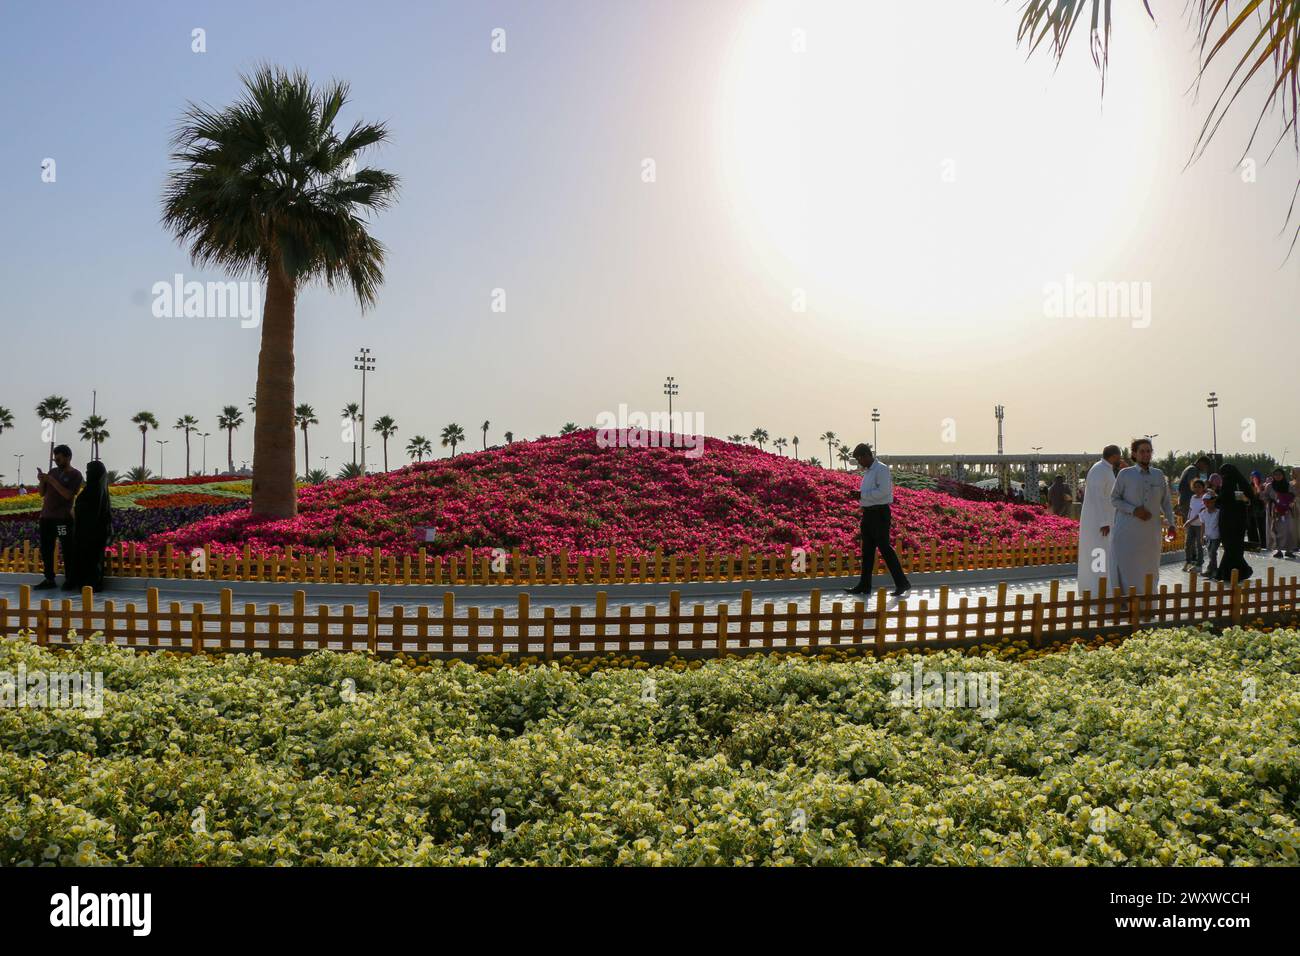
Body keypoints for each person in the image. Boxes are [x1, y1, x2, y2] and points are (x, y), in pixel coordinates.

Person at [1109, 438, 1175, 593]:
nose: (1146, 454)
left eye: (1149, 451)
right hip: (1127, 532)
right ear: (1134, 454)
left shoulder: (1158, 475)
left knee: (1150, 570)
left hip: (1151, 534)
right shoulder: (1125, 474)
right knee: (1128, 569)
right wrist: (1134, 510)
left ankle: (1149, 602)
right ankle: (1128, 602)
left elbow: (1166, 502)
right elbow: (1114, 499)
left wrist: (1172, 524)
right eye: (1142, 451)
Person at [845, 443, 911, 598]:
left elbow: (884, 492)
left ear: (866, 455)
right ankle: (864, 585)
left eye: (859, 459)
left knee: (885, 548)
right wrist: (860, 495)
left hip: (880, 514)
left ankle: (902, 583)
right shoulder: (868, 472)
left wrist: (861, 495)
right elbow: (870, 493)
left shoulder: (881, 469)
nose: (859, 462)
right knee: (867, 551)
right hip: (868, 514)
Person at [33, 444, 83, 590]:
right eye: (55, 459)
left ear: (68, 457)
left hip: (62, 520)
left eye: (59, 459)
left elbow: (68, 495)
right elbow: (41, 493)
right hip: (46, 518)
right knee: (46, 549)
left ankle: (70, 580)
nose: (56, 462)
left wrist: (52, 481)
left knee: (67, 548)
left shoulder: (76, 475)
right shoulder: (52, 472)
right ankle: (49, 579)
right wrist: (42, 480)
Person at [1077, 445, 1122, 595]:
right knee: (1098, 552)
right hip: (1098, 523)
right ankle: (1097, 587)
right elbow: (1098, 498)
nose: (1120, 460)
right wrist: (1104, 522)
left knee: (1102, 553)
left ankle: (1101, 585)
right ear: (1113, 456)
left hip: (1104, 521)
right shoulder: (1099, 470)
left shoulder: (1105, 469)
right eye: (1119, 457)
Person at [65, 460, 112, 592]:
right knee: (88, 557)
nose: (87, 474)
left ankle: (91, 584)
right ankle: (86, 583)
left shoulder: (95, 490)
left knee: (92, 558)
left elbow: (90, 510)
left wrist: (76, 510)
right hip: (89, 531)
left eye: (89, 472)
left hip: (91, 532)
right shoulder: (97, 488)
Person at [1215, 463, 1256, 582]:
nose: (1224, 477)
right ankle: (1239, 571)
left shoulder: (1241, 485)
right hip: (1226, 520)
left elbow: (1250, 500)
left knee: (1235, 546)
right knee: (1229, 546)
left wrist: (1243, 498)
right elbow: (1220, 501)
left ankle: (1228, 573)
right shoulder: (1225, 486)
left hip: (1237, 520)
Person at [1262, 468, 1299, 558]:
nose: (1278, 476)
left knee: (1288, 530)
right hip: (1274, 511)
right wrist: (1272, 502)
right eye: (1276, 474)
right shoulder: (1270, 486)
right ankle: (1278, 550)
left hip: (1286, 511)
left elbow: (1294, 495)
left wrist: (1289, 502)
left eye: (1280, 474)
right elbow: (1265, 497)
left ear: (1283, 475)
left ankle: (1289, 550)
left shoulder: (1288, 485)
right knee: (1275, 530)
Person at [1183, 478, 1207, 571]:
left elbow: (1200, 512)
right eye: (1195, 487)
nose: (1197, 489)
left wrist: (1190, 521)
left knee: (1199, 545)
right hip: (1191, 525)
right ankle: (1188, 562)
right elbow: (1191, 509)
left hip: (1200, 525)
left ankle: (1199, 564)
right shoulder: (1193, 497)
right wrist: (1188, 520)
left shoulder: (1204, 498)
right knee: (1188, 544)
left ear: (1203, 488)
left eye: (1199, 487)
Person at [1176, 456, 1211, 521]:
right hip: (1188, 500)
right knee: (1190, 522)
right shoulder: (1193, 469)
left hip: (1185, 500)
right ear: (1201, 463)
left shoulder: (1190, 468)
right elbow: (1193, 484)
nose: (1205, 469)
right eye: (1205, 467)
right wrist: (1205, 486)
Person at [1200, 490, 1221, 578]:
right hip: (1208, 537)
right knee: (1210, 554)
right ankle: (1211, 570)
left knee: (1212, 552)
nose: (1206, 504)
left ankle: (1213, 570)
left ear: (1213, 502)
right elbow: (1203, 525)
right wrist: (1201, 537)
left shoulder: (1218, 512)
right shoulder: (1203, 513)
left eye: (1208, 502)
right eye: (1205, 502)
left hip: (1216, 536)